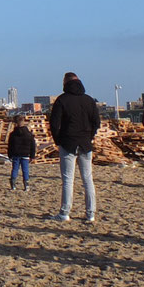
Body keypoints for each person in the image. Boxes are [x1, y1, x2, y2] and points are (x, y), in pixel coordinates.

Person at [48, 72, 98, 223]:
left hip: (68, 143)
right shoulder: (89, 100)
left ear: (65, 83)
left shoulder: (62, 100)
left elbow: (54, 124)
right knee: (87, 179)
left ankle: (65, 213)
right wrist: (89, 137)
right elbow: (96, 122)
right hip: (85, 143)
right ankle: (90, 213)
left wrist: (58, 141)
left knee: (68, 179)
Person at [6, 116, 35, 192]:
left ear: (15, 123)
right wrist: (32, 156)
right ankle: (26, 185)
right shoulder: (29, 134)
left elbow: (10, 146)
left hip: (16, 155)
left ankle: (13, 184)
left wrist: (9, 155)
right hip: (25, 154)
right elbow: (33, 145)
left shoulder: (12, 134)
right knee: (25, 170)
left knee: (15, 169)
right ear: (23, 122)